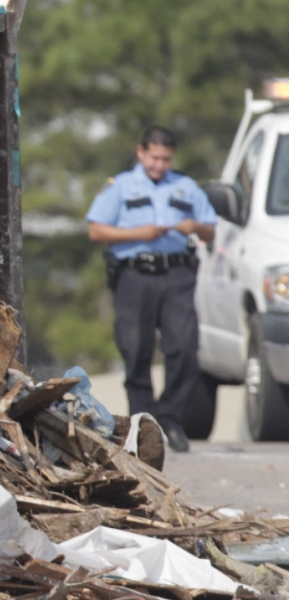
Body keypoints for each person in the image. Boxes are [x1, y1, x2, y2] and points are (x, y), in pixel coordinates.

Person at [85, 125, 217, 452]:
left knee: (184, 346)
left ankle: (171, 419)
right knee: (135, 348)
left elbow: (211, 231)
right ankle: (145, 423)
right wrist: (138, 234)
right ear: (141, 152)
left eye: (166, 159)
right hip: (135, 274)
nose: (160, 165)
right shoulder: (120, 186)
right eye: (155, 158)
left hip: (177, 274)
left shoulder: (186, 186)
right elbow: (96, 231)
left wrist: (196, 227)